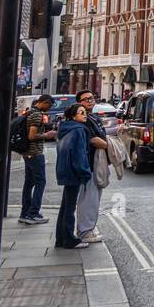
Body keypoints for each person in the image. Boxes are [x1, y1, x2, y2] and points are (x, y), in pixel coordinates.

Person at [55, 104, 92, 250]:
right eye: (81, 112)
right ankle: (70, 240)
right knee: (70, 208)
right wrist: (85, 173)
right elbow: (79, 154)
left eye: (85, 112)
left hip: (65, 169)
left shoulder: (65, 128)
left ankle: (61, 238)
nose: (84, 114)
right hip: (74, 172)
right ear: (73, 116)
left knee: (65, 207)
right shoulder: (79, 130)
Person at [74, 90, 108, 244]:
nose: (90, 101)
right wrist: (112, 147)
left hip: (96, 162)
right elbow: (94, 140)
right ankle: (84, 231)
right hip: (89, 163)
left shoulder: (92, 117)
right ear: (79, 102)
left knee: (93, 197)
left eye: (92, 98)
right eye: (86, 99)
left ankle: (88, 228)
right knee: (88, 198)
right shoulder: (83, 120)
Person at [20, 95, 57, 225]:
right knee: (40, 182)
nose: (50, 108)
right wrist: (47, 135)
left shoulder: (30, 112)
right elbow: (32, 135)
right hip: (35, 152)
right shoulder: (36, 115)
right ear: (45, 103)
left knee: (29, 183)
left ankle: (25, 213)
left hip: (27, 152)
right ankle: (33, 213)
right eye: (50, 105)